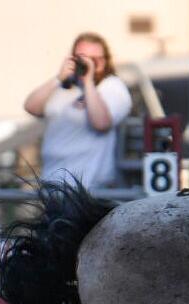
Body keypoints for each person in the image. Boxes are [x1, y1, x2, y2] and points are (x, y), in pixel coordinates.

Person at [23, 32, 132, 188]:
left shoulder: (112, 87)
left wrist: (88, 82)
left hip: (89, 187)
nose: (88, 63)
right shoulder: (64, 87)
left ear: (106, 61)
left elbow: (101, 123)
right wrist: (58, 78)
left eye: (95, 60)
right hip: (53, 182)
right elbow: (31, 107)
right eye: (82, 58)